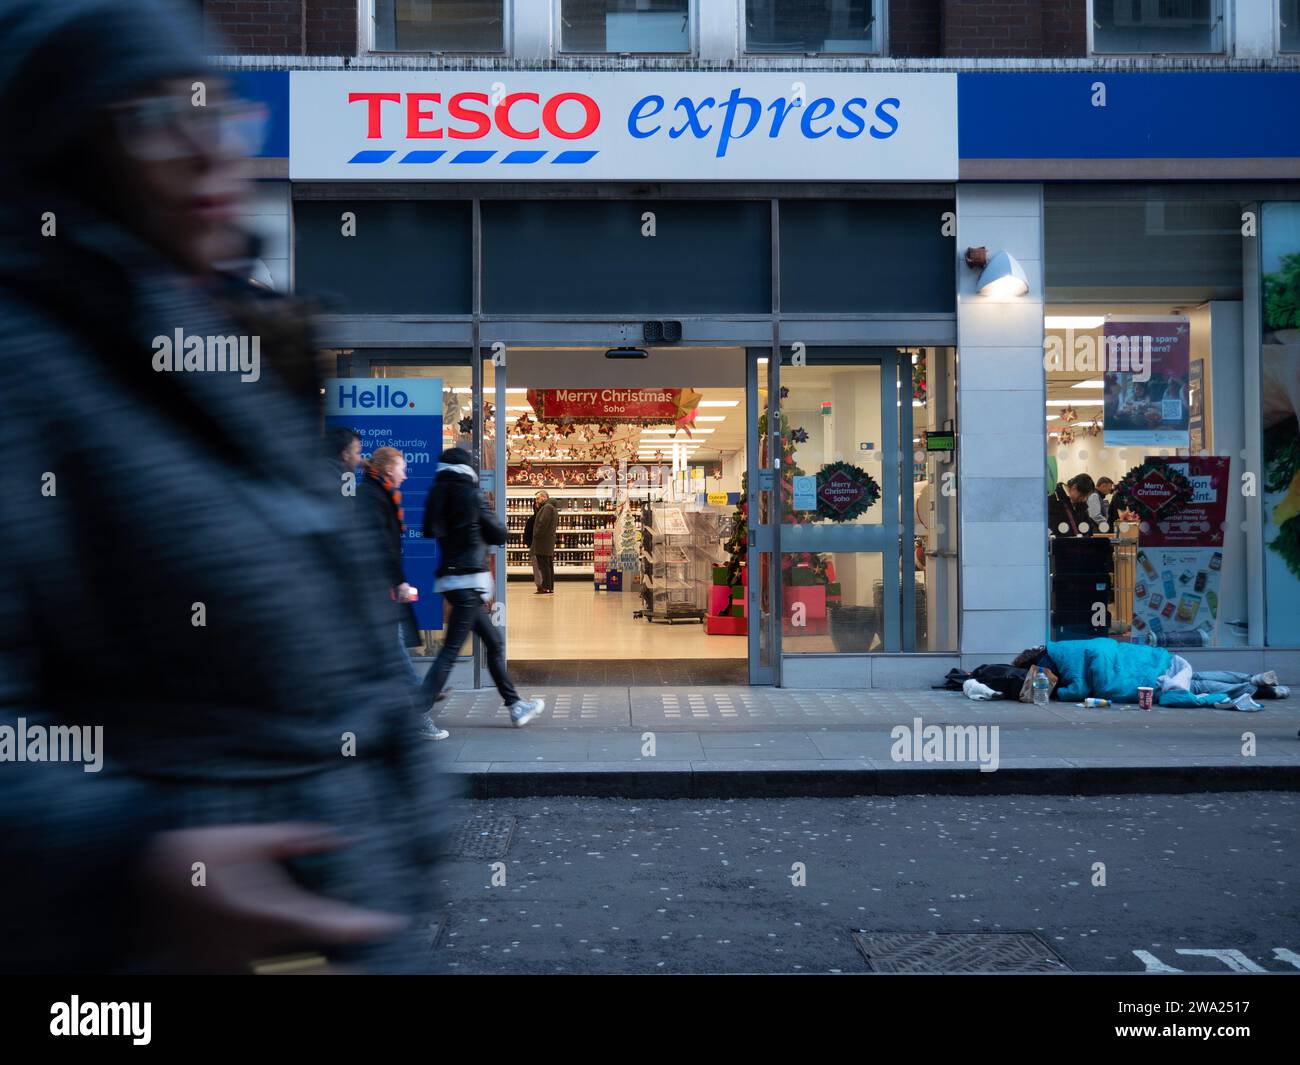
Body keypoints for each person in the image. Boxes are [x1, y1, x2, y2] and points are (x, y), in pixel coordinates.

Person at [0, 0, 448, 973]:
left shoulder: (214, 346)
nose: (210, 149)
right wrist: (136, 866)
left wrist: (405, 796)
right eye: (157, 115)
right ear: (72, 150)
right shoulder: (26, 363)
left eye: (221, 108)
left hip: (340, 908)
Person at [418, 448, 544, 726]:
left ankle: (515, 705)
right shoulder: (472, 494)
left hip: (451, 581)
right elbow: (499, 532)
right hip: (469, 580)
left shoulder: (437, 492)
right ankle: (417, 713)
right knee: (451, 651)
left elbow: (429, 529)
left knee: (494, 642)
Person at [356, 447, 444, 737]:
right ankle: (420, 709)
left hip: (375, 588)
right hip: (375, 588)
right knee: (393, 652)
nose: (406, 474)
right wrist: (399, 582)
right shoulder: (373, 497)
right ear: (389, 469)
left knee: (384, 654)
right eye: (402, 468)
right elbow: (381, 546)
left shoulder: (380, 493)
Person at [530, 490, 558, 594]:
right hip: (548, 541)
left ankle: (545, 587)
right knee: (548, 565)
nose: (536, 501)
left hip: (543, 541)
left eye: (538, 498)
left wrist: (536, 534)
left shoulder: (547, 508)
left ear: (544, 497)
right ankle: (549, 587)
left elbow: (542, 523)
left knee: (544, 565)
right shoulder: (551, 507)